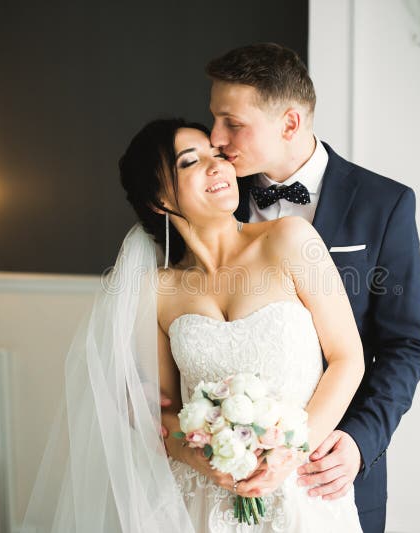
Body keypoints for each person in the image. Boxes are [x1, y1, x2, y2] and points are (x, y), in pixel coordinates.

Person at [21, 117, 367, 533]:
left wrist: (289, 455)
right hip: (202, 501)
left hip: (302, 490)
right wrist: (199, 458)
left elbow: (348, 358)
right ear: (158, 199)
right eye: (191, 162)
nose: (217, 165)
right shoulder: (157, 291)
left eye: (218, 154)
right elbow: (158, 411)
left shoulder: (291, 240)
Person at [203, 43, 420, 533]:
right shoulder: (211, 198)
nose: (215, 139)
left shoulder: (385, 205)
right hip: (222, 477)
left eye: (233, 123)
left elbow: (406, 344)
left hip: (329, 474)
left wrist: (358, 441)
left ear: (290, 123)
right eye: (214, 119)